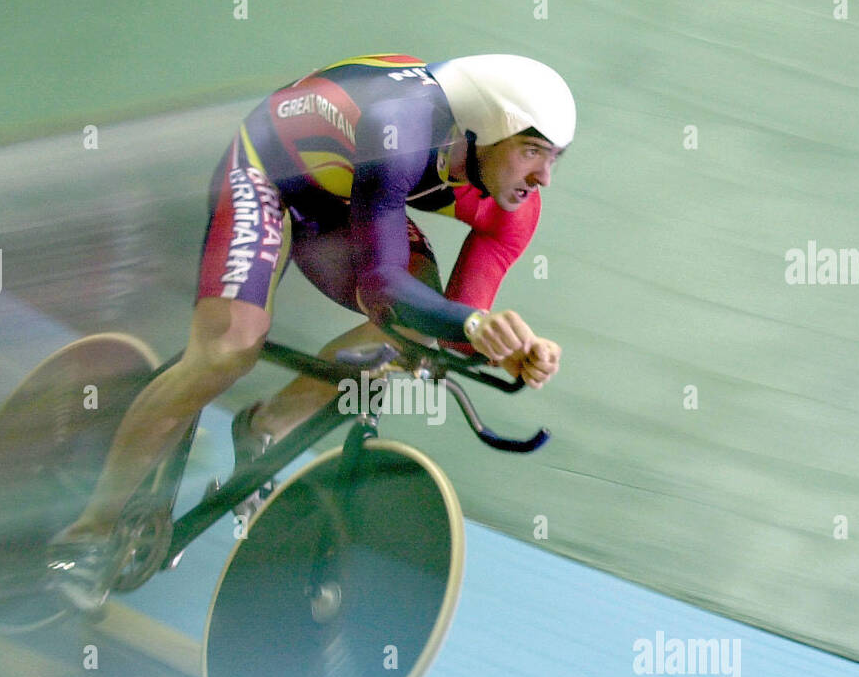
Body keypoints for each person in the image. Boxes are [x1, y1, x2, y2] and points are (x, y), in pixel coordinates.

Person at [49, 53, 574, 609]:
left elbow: (456, 327)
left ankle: (267, 427)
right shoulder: (402, 124)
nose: (543, 177)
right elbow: (383, 286)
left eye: (554, 158)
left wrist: (508, 351)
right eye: (531, 151)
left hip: (350, 194)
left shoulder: (516, 206)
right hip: (269, 173)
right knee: (226, 352)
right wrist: (470, 323)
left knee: (414, 336)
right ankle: (87, 534)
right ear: (485, 130)